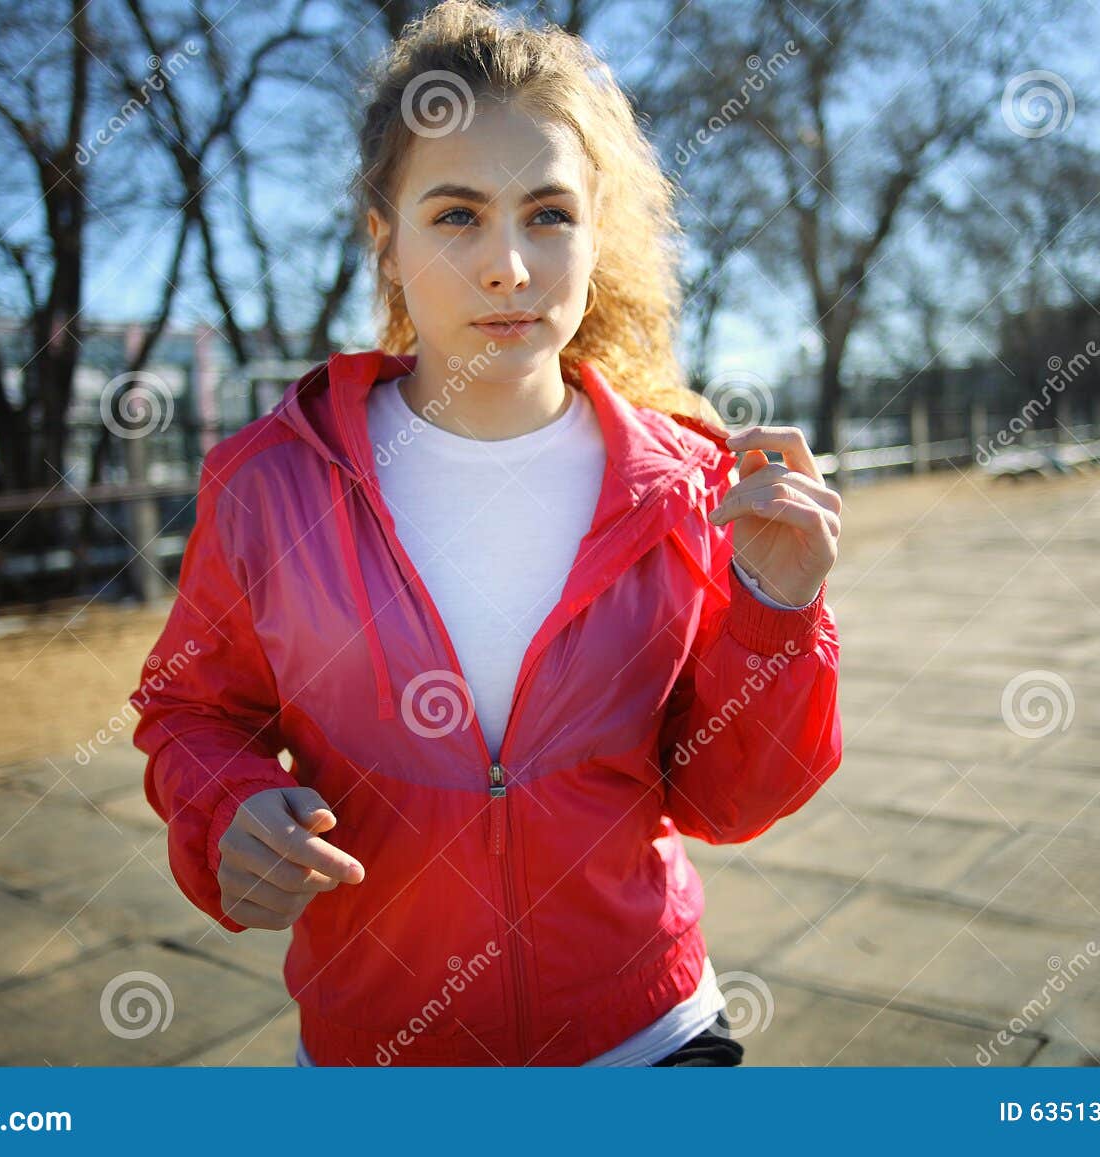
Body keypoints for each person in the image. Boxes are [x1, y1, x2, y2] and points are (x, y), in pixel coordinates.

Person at [129, 0, 842, 1068]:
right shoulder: (270, 482)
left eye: (548, 213)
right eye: (457, 215)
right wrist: (225, 808)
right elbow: (189, 708)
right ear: (386, 235)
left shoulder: (688, 479)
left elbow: (724, 797)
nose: (508, 264)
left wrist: (779, 614)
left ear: (595, 235)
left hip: (651, 1038)